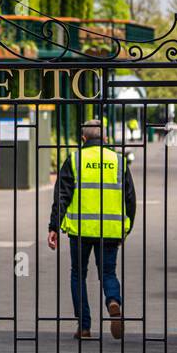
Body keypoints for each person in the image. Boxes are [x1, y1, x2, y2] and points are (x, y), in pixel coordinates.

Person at [46, 120, 136, 340]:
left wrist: (54, 227)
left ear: (83, 139)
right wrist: (126, 228)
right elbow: (130, 199)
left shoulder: (75, 160)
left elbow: (62, 196)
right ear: (105, 139)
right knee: (108, 272)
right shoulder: (118, 161)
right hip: (110, 230)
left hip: (80, 230)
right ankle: (113, 301)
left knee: (78, 274)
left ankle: (84, 327)